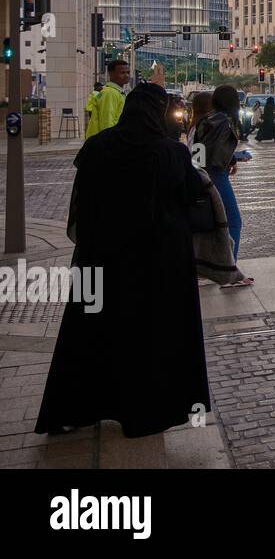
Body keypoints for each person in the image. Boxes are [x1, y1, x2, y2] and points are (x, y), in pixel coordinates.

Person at [35, 82, 214, 439]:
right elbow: (191, 198)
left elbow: (82, 205)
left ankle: (77, 409)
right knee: (149, 337)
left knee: (91, 336)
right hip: (155, 264)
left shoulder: (96, 148)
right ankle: (145, 411)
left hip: (100, 259)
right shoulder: (170, 153)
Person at [196, 85, 247, 260]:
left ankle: (212, 265)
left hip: (202, 172)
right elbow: (216, 152)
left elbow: (200, 150)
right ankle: (229, 266)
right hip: (217, 174)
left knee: (212, 222)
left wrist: (231, 159)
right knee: (233, 221)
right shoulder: (224, 122)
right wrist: (233, 159)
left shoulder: (206, 119)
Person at [86, 60, 130, 139]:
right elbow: (107, 123)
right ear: (111, 74)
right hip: (104, 143)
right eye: (122, 73)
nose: (127, 75)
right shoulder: (110, 93)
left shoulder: (115, 92)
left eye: (128, 72)